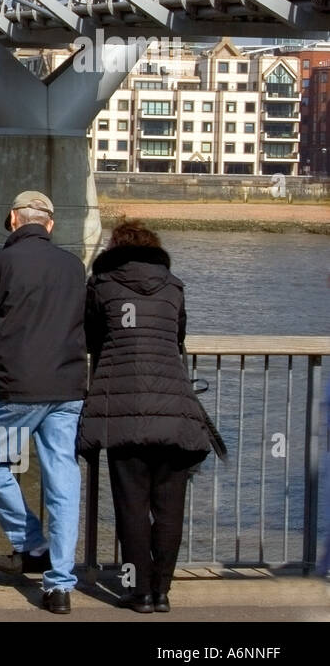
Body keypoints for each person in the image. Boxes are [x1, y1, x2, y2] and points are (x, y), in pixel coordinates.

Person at [77, 220, 214, 613]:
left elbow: (92, 338)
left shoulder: (101, 286)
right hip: (174, 411)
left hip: (123, 412)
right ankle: (162, 592)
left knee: (131, 508)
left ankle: (138, 593)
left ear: (114, 250)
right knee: (169, 509)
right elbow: (178, 338)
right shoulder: (173, 287)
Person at [0, 190, 88, 614]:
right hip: (69, 385)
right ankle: (59, 586)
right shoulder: (74, 267)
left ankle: (30, 542)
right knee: (62, 481)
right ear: (50, 225)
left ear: (13, 220)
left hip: (18, 385)